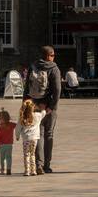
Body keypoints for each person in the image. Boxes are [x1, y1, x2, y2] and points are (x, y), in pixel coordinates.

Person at [23, 45, 63, 174]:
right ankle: (47, 165)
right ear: (49, 55)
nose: (54, 57)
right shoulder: (54, 68)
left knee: (37, 134)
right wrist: (52, 106)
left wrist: (25, 105)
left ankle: (38, 164)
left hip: (34, 104)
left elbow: (26, 87)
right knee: (49, 134)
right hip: (49, 106)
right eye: (53, 55)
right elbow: (57, 89)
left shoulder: (33, 66)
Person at [13, 98, 45, 177]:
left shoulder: (22, 118)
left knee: (26, 154)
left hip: (26, 139)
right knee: (33, 154)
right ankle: (33, 170)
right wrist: (42, 109)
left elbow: (17, 128)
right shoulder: (37, 116)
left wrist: (17, 136)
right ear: (33, 107)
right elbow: (43, 113)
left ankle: (27, 171)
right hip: (34, 138)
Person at [0, 108, 15, 175]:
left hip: (3, 145)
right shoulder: (11, 125)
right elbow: (18, 126)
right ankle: (7, 169)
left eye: (0, 118)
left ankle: (4, 169)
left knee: (3, 157)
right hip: (8, 144)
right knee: (8, 157)